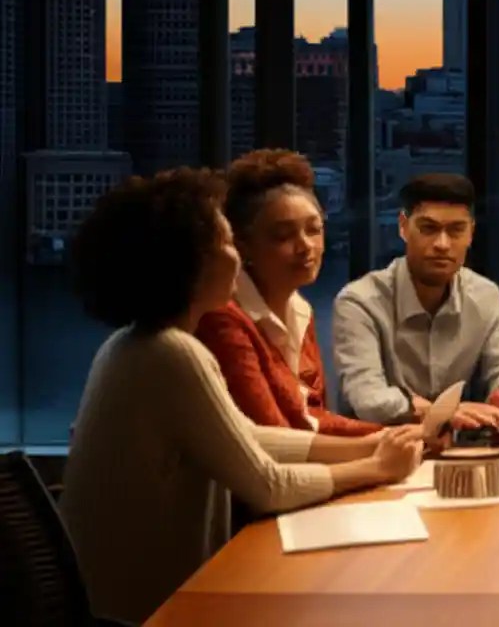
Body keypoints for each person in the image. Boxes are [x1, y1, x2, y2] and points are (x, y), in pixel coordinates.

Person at [59, 169, 425, 624]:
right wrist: (375, 468)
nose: (237, 255)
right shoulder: (173, 353)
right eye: (228, 241)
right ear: (191, 263)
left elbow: (247, 435)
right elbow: (268, 486)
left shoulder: (136, 344)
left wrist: (369, 446)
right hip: (156, 611)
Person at [333, 173, 499, 426]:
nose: (442, 244)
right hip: (378, 450)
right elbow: (368, 398)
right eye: (428, 228)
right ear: (403, 227)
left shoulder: (484, 294)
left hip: (463, 447)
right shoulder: (359, 302)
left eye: (456, 230)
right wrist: (445, 412)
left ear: (471, 233)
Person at [195, 149, 380, 436]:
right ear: (242, 244)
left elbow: (313, 415)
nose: (305, 245)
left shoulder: (299, 308)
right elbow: (271, 431)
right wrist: (383, 441)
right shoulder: (223, 318)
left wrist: (394, 436)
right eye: (283, 236)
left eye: (314, 230)